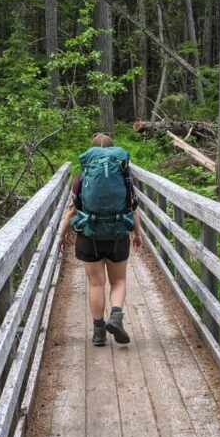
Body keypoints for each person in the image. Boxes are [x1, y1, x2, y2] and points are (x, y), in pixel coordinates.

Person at [58, 133, 144, 346]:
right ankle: (116, 315)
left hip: (89, 235)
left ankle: (98, 333)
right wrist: (138, 234)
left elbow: (72, 210)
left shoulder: (84, 174)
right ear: (113, 149)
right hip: (116, 234)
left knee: (96, 284)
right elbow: (132, 207)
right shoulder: (123, 173)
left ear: (92, 150)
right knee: (119, 281)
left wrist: (61, 235)